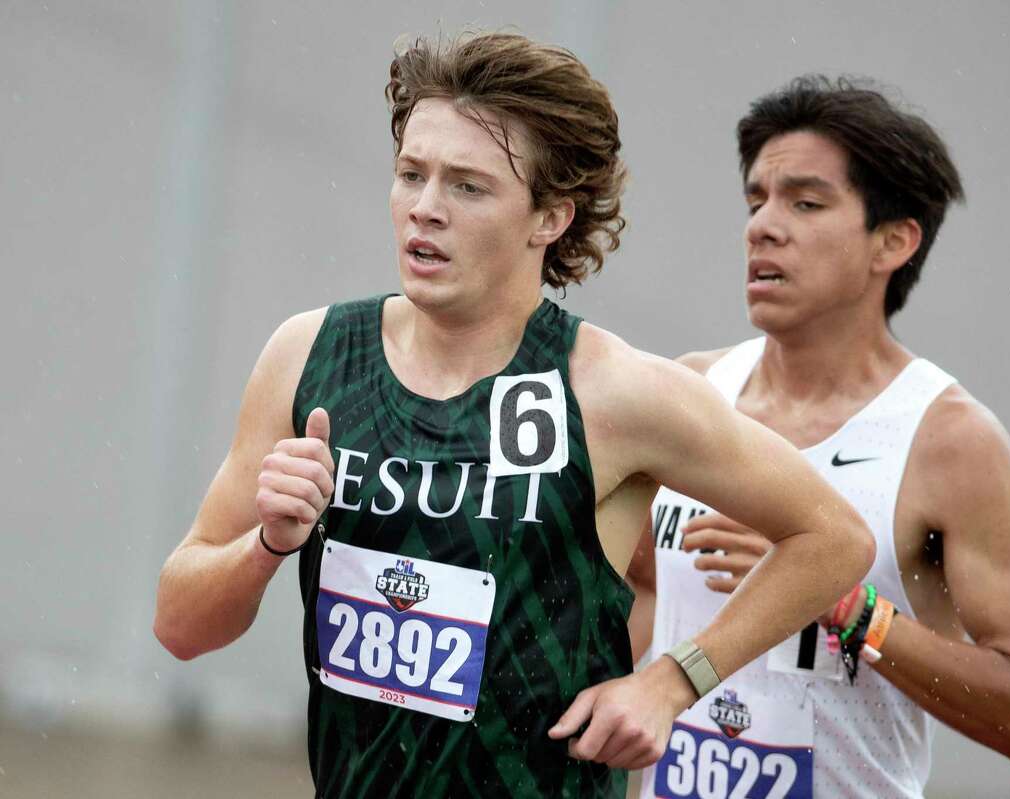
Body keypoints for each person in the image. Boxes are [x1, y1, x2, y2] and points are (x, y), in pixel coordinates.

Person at [152, 35, 874, 799]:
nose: (425, 209)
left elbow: (835, 537)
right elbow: (180, 625)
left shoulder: (614, 391)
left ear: (549, 218)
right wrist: (268, 543)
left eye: (468, 186)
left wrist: (672, 682)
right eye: (411, 175)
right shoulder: (310, 356)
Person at [627, 76, 1010, 799]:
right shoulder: (689, 394)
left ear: (892, 241)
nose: (763, 225)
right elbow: (643, 600)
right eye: (756, 200)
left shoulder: (950, 441)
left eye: (804, 202)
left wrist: (841, 601)